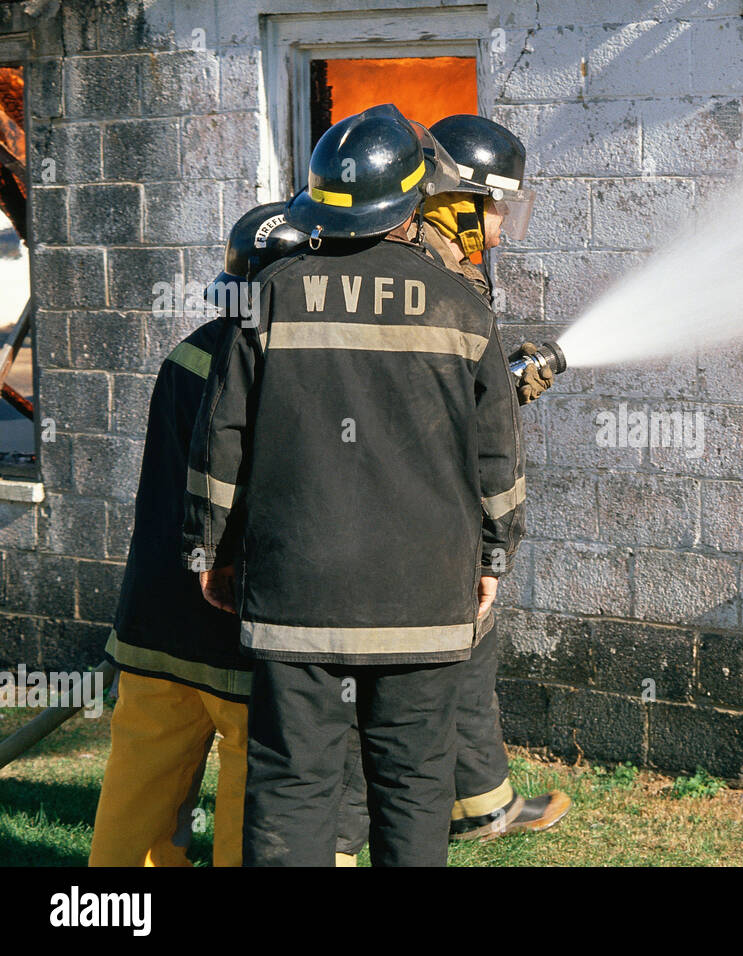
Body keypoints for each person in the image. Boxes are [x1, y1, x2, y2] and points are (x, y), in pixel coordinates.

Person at [182, 104, 524, 867]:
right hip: (425, 599)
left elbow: (221, 441)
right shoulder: (463, 307)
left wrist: (210, 549)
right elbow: (497, 464)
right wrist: (492, 560)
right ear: (414, 202)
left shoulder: (267, 297)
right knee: (414, 783)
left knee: (294, 783)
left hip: (297, 597)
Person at [338, 115, 567, 852]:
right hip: (403, 520)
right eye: (497, 208)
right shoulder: (418, 267)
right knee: (365, 703)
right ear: (456, 202)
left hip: (438, 510)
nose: (503, 226)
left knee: (470, 654)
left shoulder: (450, 260)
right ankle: (345, 834)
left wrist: (503, 384)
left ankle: (480, 804)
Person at [88, 204, 306, 867]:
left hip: (154, 622)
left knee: (137, 802)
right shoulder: (291, 372)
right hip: (239, 636)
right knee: (254, 807)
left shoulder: (188, 353)